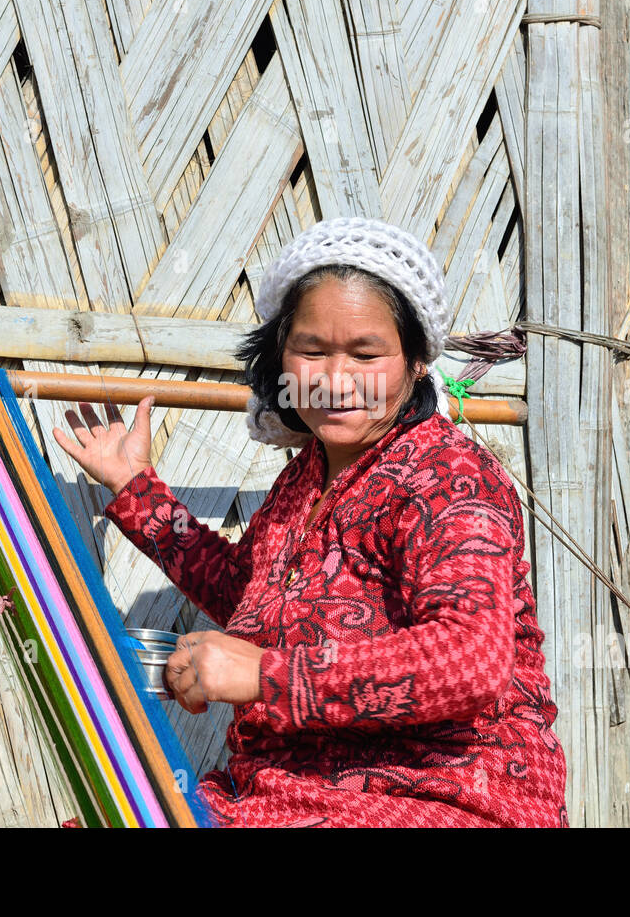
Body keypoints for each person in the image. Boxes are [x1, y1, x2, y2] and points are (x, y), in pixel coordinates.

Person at [54, 217, 568, 827]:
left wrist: (266, 676)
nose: (335, 379)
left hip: (434, 795)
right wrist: (135, 490)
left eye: (366, 353)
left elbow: (470, 659)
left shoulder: (449, 480)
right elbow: (248, 593)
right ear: (281, 359)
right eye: (311, 350)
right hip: (289, 790)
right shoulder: (306, 477)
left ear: (416, 364)